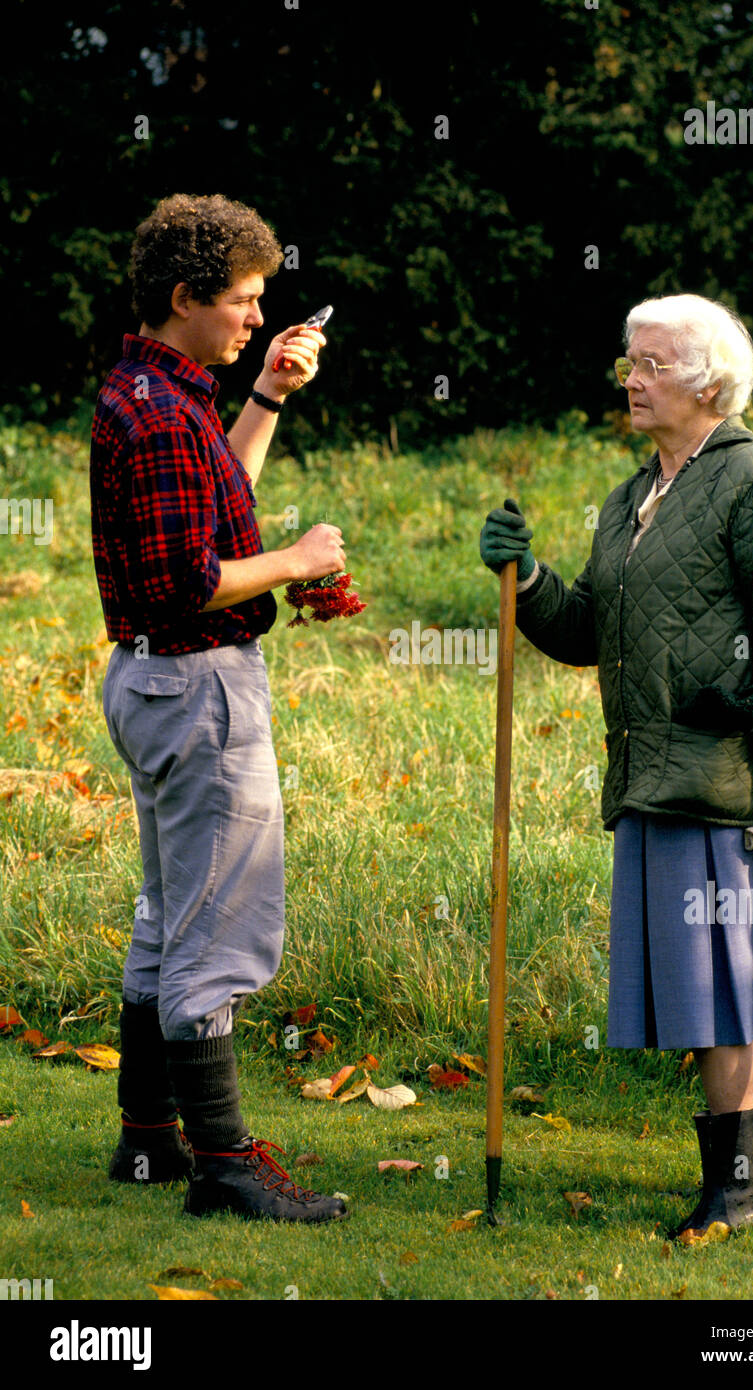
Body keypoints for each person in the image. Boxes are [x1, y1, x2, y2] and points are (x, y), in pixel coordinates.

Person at [480, 293, 753, 1237]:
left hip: (725, 779)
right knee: (717, 984)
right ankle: (749, 1180)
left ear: (709, 381)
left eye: (653, 363)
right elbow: (594, 629)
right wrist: (530, 584)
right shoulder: (632, 495)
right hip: (649, 775)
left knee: (729, 987)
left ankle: (744, 1191)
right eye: (629, 360)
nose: (631, 378)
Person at [91, 193, 348, 1222]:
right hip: (198, 685)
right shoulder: (158, 414)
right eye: (242, 301)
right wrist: (297, 560)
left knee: (169, 912)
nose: (255, 319)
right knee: (220, 927)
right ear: (185, 296)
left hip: (157, 681)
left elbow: (214, 503)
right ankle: (227, 1165)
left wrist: (268, 397)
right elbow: (185, 577)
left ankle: (148, 1139)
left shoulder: (161, 390)